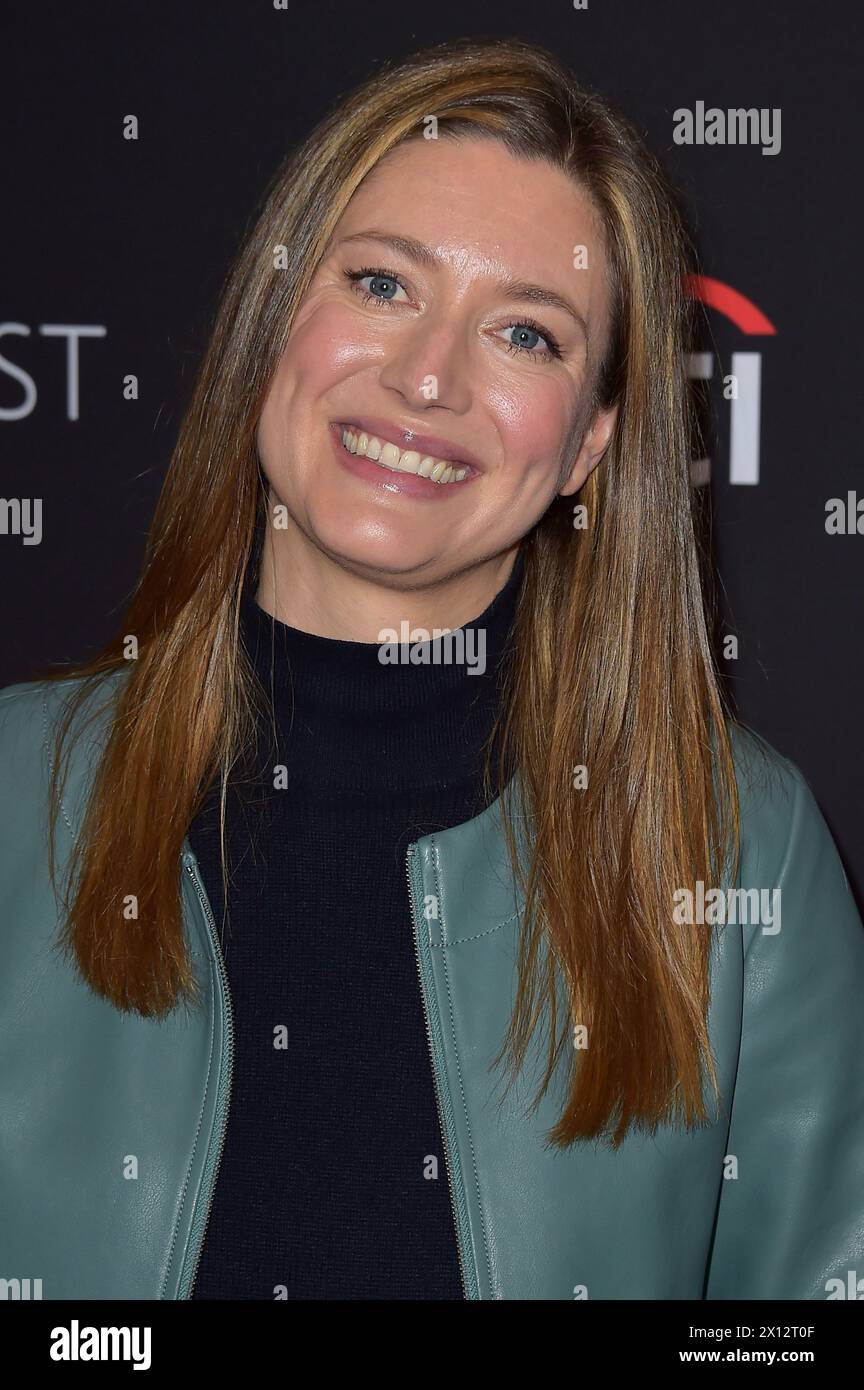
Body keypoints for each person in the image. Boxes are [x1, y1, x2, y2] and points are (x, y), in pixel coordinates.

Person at [1, 37, 862, 1302]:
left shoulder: (741, 847)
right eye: (383, 284)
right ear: (273, 320)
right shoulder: (13, 793)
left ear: (590, 445)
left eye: (525, 332)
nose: (426, 377)